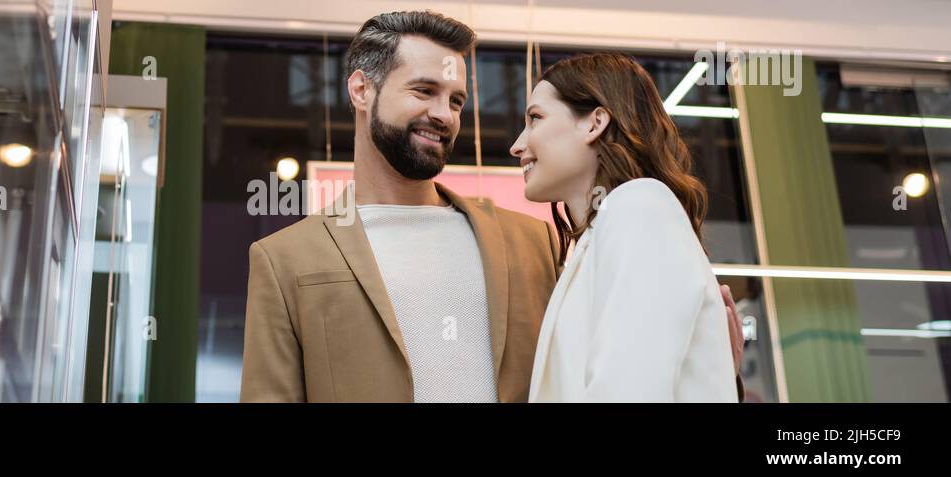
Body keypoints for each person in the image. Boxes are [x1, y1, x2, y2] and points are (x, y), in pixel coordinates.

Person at [240, 11, 743, 402]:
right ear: (361, 88)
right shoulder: (286, 261)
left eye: (457, 101)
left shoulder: (535, 242)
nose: (443, 114)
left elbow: (623, 369)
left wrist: (715, 364)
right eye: (425, 90)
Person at [513, 53, 738, 402]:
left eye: (535, 119)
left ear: (594, 123)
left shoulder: (639, 204)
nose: (518, 146)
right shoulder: (602, 233)